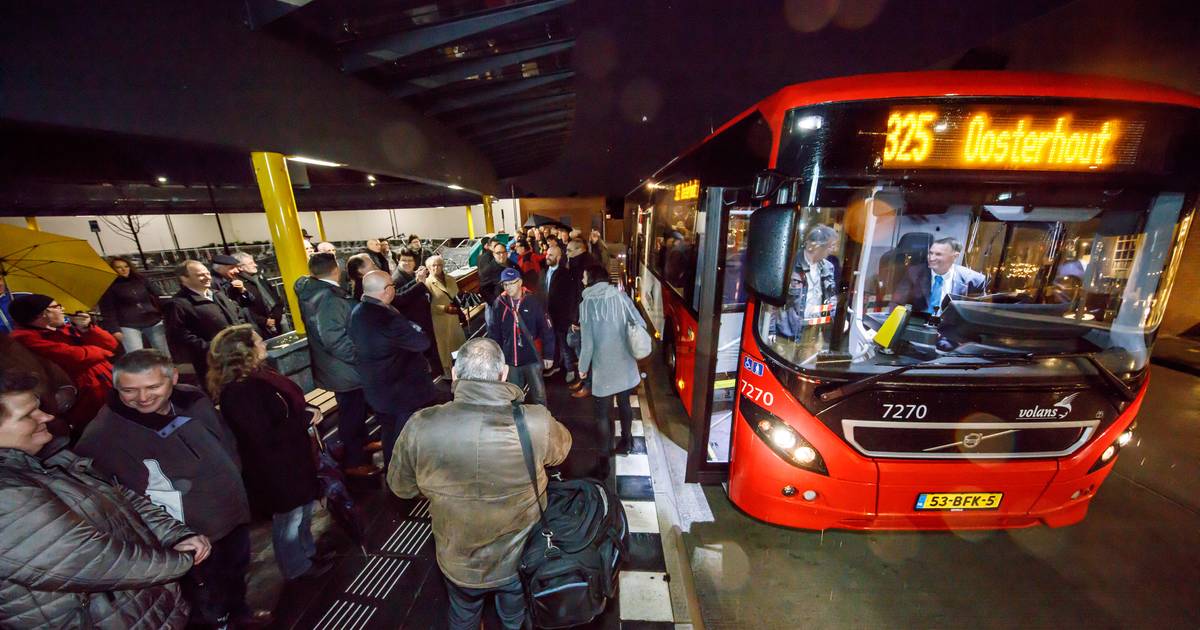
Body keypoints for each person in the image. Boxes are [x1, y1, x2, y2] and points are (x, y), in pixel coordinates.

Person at [0, 368, 209, 629]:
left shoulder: (44, 459)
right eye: (27, 415)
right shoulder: (6, 494)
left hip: (141, 608)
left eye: (38, 407)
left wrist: (176, 535)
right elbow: (92, 560)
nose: (46, 416)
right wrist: (183, 561)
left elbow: (118, 496)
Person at [75, 350, 270, 628]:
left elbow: (225, 441)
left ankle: (241, 615)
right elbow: (107, 501)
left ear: (173, 378)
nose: (143, 398)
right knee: (204, 599)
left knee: (235, 574)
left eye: (153, 386)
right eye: (129, 390)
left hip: (232, 515)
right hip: (189, 536)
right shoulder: (102, 436)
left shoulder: (193, 399)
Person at [387, 338, 572, 630]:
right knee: (514, 613)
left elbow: (401, 487)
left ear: (456, 374)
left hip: (458, 560)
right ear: (503, 374)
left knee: (463, 614)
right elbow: (562, 452)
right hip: (518, 556)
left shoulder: (421, 424)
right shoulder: (535, 421)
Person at [207, 326, 331, 581]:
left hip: (293, 460)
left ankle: (308, 553)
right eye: (258, 341)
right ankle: (296, 568)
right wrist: (304, 419)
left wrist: (305, 411)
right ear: (244, 352)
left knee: (303, 512)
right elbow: (262, 435)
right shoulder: (239, 391)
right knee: (289, 520)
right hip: (276, 471)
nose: (263, 343)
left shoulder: (259, 375)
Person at [294, 254, 380, 478]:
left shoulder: (310, 290)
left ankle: (363, 443)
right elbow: (333, 338)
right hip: (344, 369)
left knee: (356, 409)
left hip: (335, 367)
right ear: (336, 269)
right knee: (351, 414)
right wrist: (360, 356)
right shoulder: (328, 298)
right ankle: (354, 461)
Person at [349, 270, 438, 470]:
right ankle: (405, 480)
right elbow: (421, 342)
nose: (395, 290)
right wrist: (414, 326)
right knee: (405, 438)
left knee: (389, 434)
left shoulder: (357, 312)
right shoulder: (386, 317)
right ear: (384, 291)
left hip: (377, 388)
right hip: (400, 391)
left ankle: (393, 475)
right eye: (392, 286)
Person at [8, 293, 117, 438]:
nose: (62, 309)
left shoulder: (64, 328)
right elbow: (75, 356)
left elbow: (111, 343)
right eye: (57, 306)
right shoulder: (24, 338)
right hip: (84, 396)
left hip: (105, 383)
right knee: (102, 432)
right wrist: (103, 352)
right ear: (43, 314)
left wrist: (88, 328)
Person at [577, 264, 646, 455]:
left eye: (584, 276)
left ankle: (604, 455)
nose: (582, 280)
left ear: (591, 279)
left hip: (603, 368)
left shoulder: (586, 305)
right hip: (625, 363)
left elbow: (588, 344)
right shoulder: (621, 297)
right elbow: (639, 323)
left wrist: (582, 368)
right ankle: (627, 442)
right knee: (625, 404)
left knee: (602, 415)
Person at [164, 259, 249, 380]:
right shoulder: (177, 304)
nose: (207, 277)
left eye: (207, 273)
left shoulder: (218, 294)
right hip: (212, 363)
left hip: (237, 355)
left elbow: (237, 314)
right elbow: (179, 336)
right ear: (184, 279)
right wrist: (213, 347)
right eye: (200, 275)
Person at [487, 268, 555, 407]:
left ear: (520, 282)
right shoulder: (500, 303)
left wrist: (549, 354)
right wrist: (496, 356)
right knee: (514, 396)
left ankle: (543, 420)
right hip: (510, 358)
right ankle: (518, 423)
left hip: (531, 356)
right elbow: (494, 331)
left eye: (512, 283)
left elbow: (546, 328)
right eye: (505, 284)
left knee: (539, 395)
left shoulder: (533, 301)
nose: (508, 287)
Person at [772, 225, 839, 340]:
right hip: (787, 334)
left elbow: (831, 297)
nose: (833, 250)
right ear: (816, 246)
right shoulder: (788, 265)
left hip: (814, 332)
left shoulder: (828, 267)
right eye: (830, 246)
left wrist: (838, 320)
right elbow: (772, 300)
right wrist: (771, 330)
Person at [892, 236, 987, 315]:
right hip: (918, 329)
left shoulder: (974, 280)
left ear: (955, 256)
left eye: (938, 254)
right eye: (930, 253)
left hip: (951, 333)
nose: (931, 258)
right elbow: (897, 303)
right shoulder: (914, 273)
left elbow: (977, 314)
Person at [98, 256, 171, 356]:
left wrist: (167, 312)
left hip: (153, 319)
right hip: (128, 324)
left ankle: (167, 371)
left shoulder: (141, 279)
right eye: (119, 267)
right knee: (135, 356)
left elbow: (158, 295)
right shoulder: (109, 286)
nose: (124, 269)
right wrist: (114, 329)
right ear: (112, 269)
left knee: (163, 352)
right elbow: (107, 310)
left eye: (126, 266)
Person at [392, 249, 442, 377]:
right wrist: (418, 282)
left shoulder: (413, 275)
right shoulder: (396, 279)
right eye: (403, 260)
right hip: (413, 324)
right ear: (398, 261)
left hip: (423, 319)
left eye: (410, 260)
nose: (407, 263)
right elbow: (399, 300)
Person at [425, 255, 467, 374]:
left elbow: (456, 296)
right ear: (428, 268)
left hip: (454, 319)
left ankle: (460, 369)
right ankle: (448, 373)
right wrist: (445, 308)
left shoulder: (450, 279)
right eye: (433, 265)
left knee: (458, 345)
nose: (437, 267)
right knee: (445, 349)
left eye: (439, 265)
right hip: (440, 322)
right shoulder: (427, 283)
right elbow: (427, 306)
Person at [540, 245, 576, 381]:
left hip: (560, 317)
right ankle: (555, 366)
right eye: (547, 254)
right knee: (551, 343)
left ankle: (570, 369)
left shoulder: (565, 274)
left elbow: (569, 297)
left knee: (564, 344)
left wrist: (569, 317)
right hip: (546, 316)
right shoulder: (544, 272)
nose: (547, 257)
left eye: (551, 255)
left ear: (559, 257)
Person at [233, 252, 285, 339]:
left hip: (278, 321)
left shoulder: (260, 278)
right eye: (251, 263)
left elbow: (275, 297)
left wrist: (277, 315)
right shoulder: (238, 285)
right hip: (260, 328)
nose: (255, 265)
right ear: (240, 267)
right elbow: (244, 308)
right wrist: (264, 321)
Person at [477, 240, 510, 305]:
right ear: (494, 254)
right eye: (498, 253)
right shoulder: (488, 270)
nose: (502, 255)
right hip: (501, 305)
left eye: (504, 252)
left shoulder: (512, 265)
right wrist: (495, 302)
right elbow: (483, 289)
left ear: (507, 253)